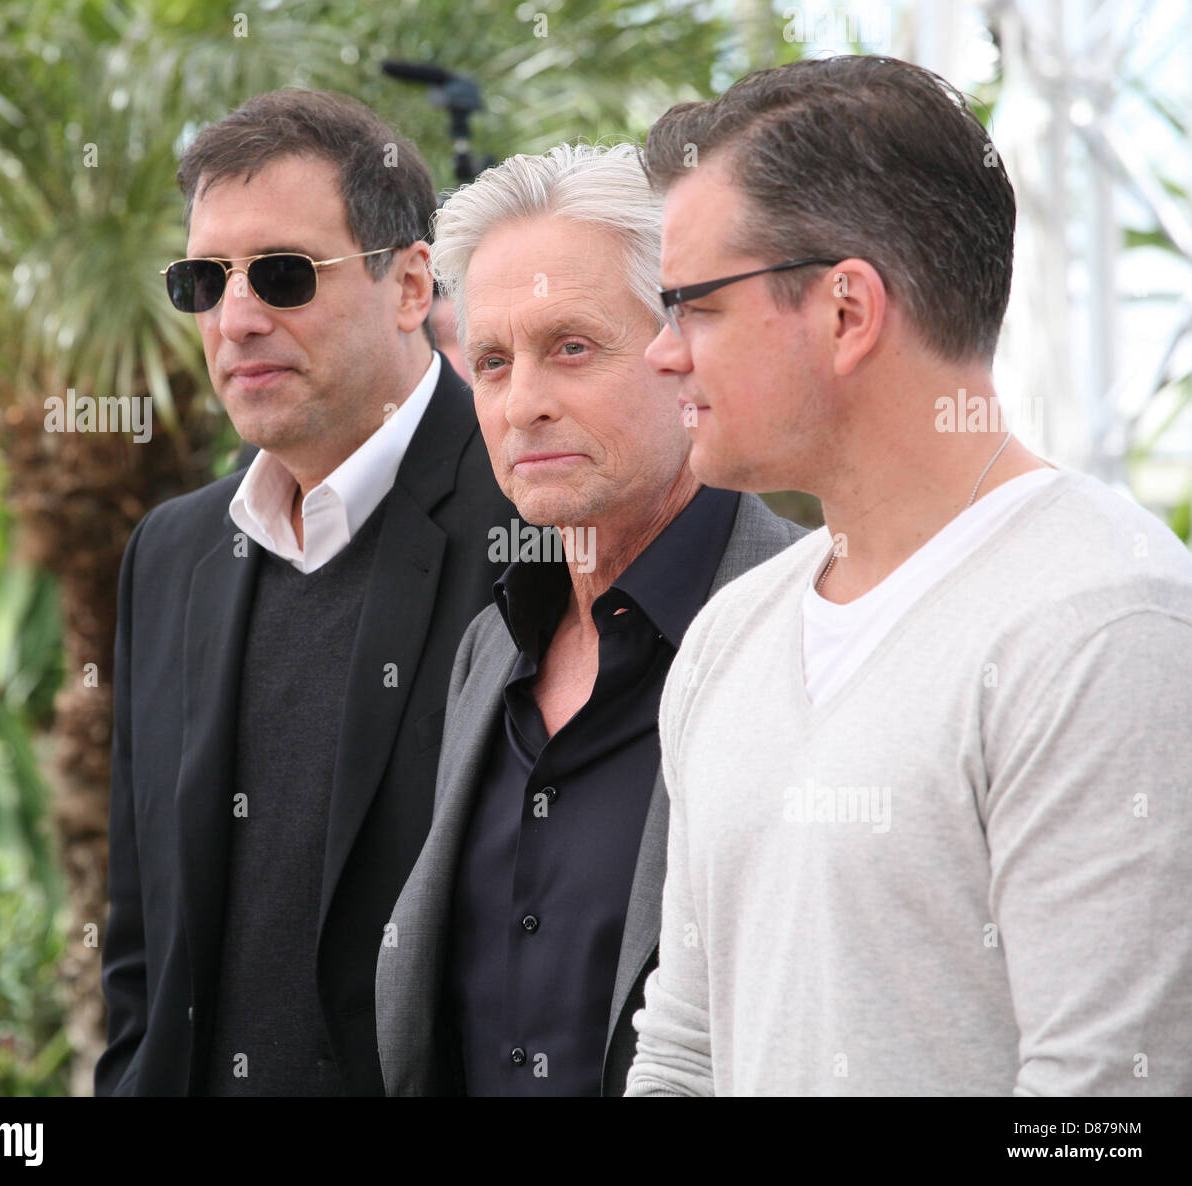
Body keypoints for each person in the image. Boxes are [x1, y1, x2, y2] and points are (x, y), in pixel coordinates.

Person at [625, 54, 1192, 1096]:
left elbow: (1109, 1101)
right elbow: (683, 1049)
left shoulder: (1107, 628)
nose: (660, 353)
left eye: (691, 305)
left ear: (846, 312)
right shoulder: (728, 638)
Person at [95, 88, 513, 1096]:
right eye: (205, 279)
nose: (236, 318)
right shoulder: (170, 553)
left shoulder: (535, 523)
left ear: (411, 285)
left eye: (283, 275)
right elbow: (140, 940)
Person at [374, 143, 804, 1096]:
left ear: (684, 348)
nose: (522, 403)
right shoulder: (491, 650)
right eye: (491, 361)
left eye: (571, 347)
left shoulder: (809, 623)